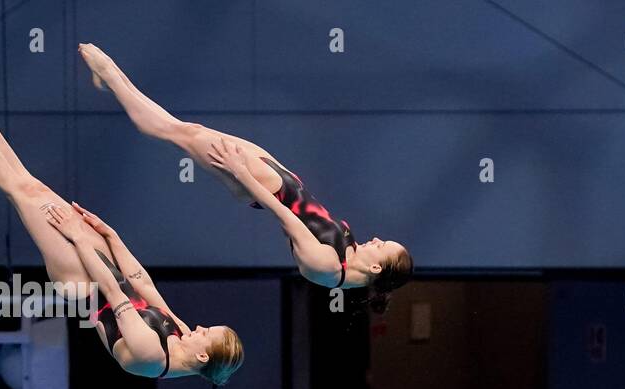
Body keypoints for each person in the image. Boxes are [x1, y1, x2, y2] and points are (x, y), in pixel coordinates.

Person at [0, 63, 244, 389]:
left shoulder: (151, 359)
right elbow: (142, 284)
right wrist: (111, 236)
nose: (199, 328)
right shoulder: (182, 336)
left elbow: (115, 294)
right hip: (106, 268)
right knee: (34, 188)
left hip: (82, 283)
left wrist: (79, 238)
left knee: (21, 192)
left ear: (203, 357)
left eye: (206, 333)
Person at [79, 44, 412, 313]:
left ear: (377, 269)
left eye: (382, 247)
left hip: (264, 186)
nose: (378, 239)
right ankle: (112, 77)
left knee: (174, 132)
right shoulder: (349, 257)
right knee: (186, 130)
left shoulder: (328, 269)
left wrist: (240, 173)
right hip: (279, 179)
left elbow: (285, 218)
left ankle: (109, 71)